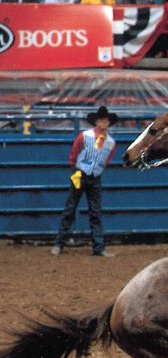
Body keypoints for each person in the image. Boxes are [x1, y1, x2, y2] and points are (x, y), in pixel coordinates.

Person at [52, 106, 118, 258]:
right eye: (101, 119)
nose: (104, 122)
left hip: (95, 177)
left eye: (106, 120)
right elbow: (74, 154)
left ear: (109, 122)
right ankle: (59, 243)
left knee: (95, 212)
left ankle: (98, 247)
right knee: (70, 209)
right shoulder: (84, 136)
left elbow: (106, 160)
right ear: (96, 122)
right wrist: (75, 170)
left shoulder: (110, 142)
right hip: (80, 174)